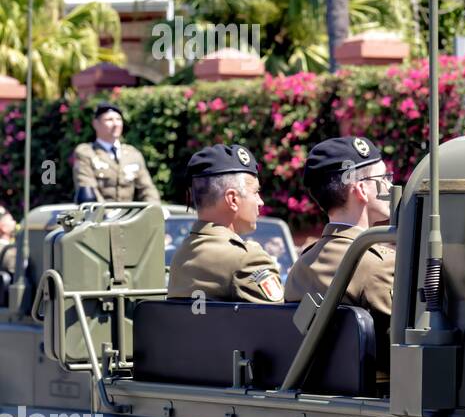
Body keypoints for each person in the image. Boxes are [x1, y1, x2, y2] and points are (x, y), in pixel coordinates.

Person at [285, 137, 395, 318]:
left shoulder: (300, 268)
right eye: (383, 178)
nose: (390, 185)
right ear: (361, 190)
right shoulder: (380, 266)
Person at [167, 144, 284, 303]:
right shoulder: (247, 259)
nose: (260, 202)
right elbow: (282, 324)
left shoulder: (181, 256)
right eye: (255, 192)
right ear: (233, 199)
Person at [72, 103, 161, 204]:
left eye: (119, 119)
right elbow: (88, 188)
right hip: (100, 216)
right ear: (96, 124)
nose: (116, 124)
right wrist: (107, 215)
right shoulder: (87, 153)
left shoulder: (132, 154)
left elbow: (147, 189)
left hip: (129, 217)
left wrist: (154, 210)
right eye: (109, 120)